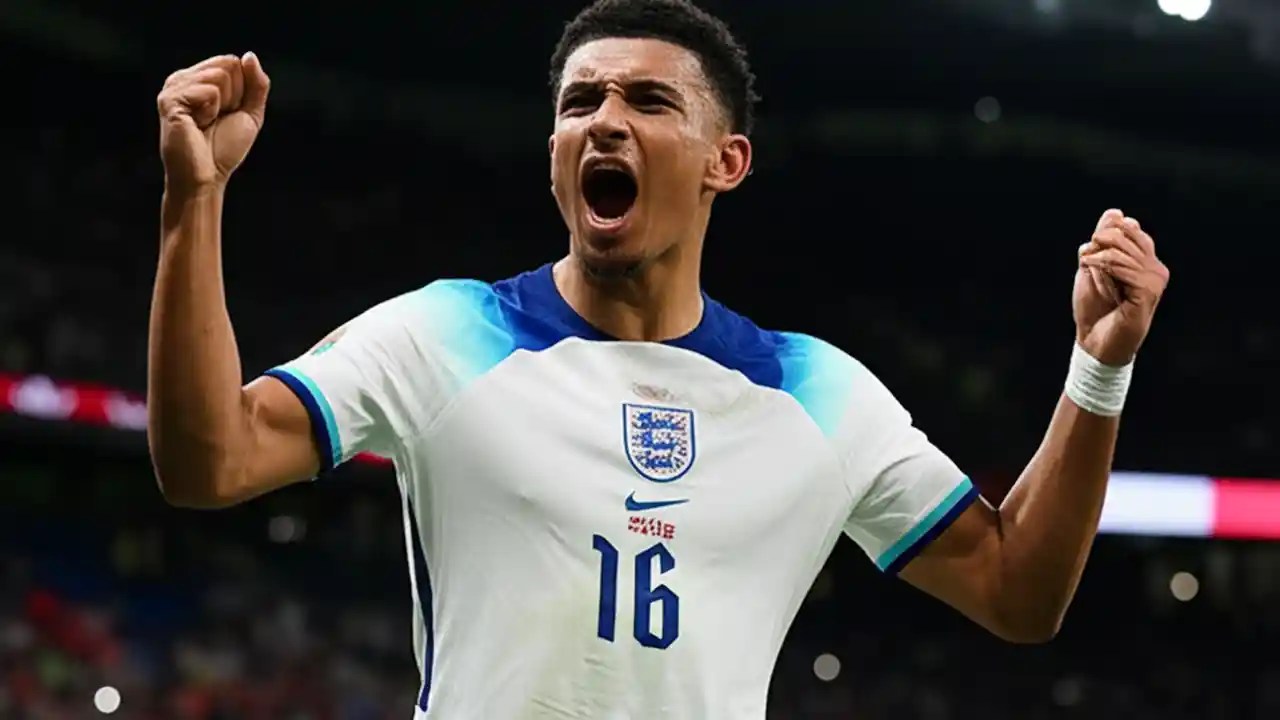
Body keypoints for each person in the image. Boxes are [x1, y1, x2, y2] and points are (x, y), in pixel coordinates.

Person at [148, 0, 1170, 717]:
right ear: (555, 154)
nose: (604, 121)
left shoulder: (817, 393)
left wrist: (1097, 370)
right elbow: (208, 462)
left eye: (648, 101)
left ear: (727, 161)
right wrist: (195, 200)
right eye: (579, 102)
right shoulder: (443, 333)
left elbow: (1016, 591)